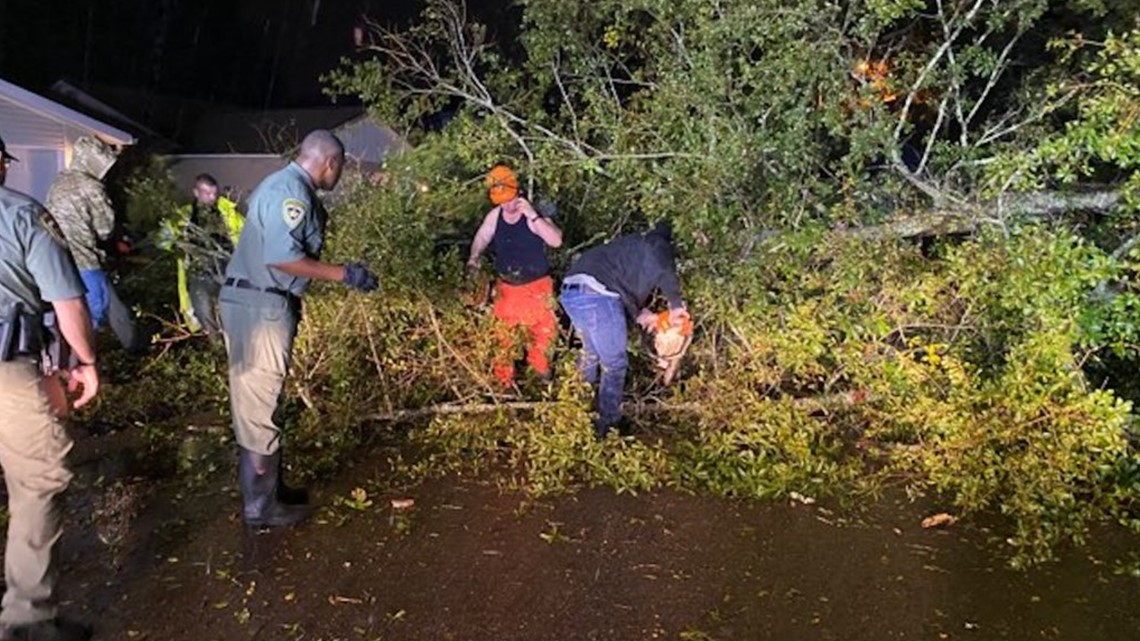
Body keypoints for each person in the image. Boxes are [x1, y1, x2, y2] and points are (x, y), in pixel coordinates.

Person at [219, 130, 378, 528]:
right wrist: (344, 275)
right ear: (330, 163)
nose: (338, 176)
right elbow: (281, 258)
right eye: (340, 168)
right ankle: (261, 507)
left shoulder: (280, 185)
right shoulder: (293, 193)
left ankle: (269, 493)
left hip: (255, 301)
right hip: (260, 308)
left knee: (257, 400)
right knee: (259, 404)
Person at [0, 133, 99, 641]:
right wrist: (84, 362)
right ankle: (27, 619)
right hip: (6, 374)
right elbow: (67, 301)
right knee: (37, 483)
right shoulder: (21, 215)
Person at [559, 221, 689, 439]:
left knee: (590, 354)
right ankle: (608, 427)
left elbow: (623, 291)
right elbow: (666, 271)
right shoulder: (657, 244)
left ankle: (575, 412)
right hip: (597, 294)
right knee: (615, 363)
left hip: (572, 291)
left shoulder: (631, 249)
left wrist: (646, 315)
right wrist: (676, 306)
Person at [466, 164, 562, 386]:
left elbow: (555, 240)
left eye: (509, 199)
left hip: (537, 289)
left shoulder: (534, 214)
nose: (507, 206)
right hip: (507, 290)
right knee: (502, 341)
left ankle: (541, 383)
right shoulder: (495, 216)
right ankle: (504, 387)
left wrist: (533, 216)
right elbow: (481, 237)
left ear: (518, 192)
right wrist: (474, 257)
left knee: (543, 337)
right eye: (501, 201)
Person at [44, 136, 140, 352]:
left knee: (111, 311)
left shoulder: (58, 183)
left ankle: (133, 348)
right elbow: (105, 228)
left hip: (59, 262)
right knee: (90, 320)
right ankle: (83, 366)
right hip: (87, 262)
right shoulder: (91, 186)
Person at [158, 174, 244, 339]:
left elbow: (247, 233)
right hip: (199, 270)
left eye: (214, 193)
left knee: (233, 312)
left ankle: (233, 344)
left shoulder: (227, 212)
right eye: (207, 193)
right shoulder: (182, 217)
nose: (212, 197)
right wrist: (177, 246)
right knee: (203, 309)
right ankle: (216, 345)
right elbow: (162, 240)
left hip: (228, 267)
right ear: (196, 193)